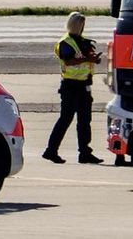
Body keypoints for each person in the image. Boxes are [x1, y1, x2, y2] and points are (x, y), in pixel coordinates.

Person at [43, 10, 103, 165]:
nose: (83, 28)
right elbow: (68, 61)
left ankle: (84, 152)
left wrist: (93, 60)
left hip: (83, 85)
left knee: (84, 120)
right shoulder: (65, 42)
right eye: (81, 24)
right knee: (66, 119)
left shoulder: (82, 41)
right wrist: (86, 59)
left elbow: (83, 59)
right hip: (70, 86)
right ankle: (51, 150)